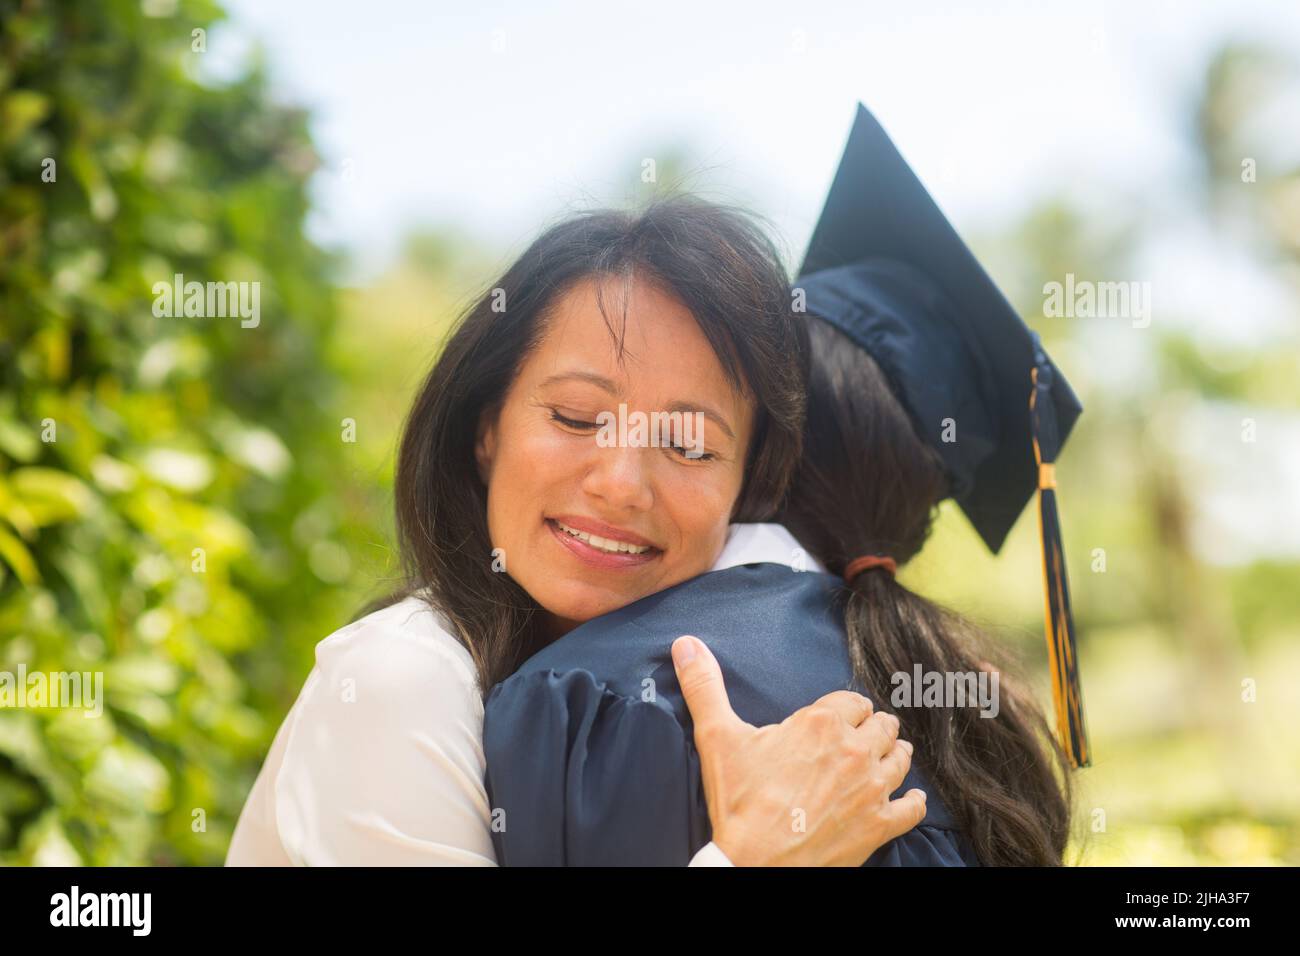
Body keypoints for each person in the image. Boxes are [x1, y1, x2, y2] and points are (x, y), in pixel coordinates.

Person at [226, 194, 924, 866]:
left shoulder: (711, 688)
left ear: (747, 486)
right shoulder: (400, 682)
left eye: (688, 446)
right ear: (485, 427)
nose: (620, 485)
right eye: (575, 418)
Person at [482, 103, 1090, 866]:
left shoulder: (592, 692)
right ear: (919, 511)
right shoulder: (977, 721)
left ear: (763, 452)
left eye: (689, 437)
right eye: (576, 416)